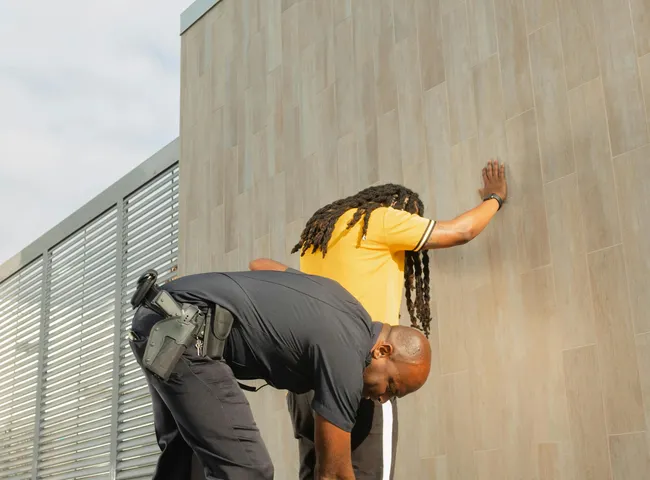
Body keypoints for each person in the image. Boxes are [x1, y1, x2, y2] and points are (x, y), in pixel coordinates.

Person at [250, 159, 507, 479]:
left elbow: (260, 265)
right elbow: (461, 231)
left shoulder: (318, 238)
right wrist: (493, 198)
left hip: (305, 384)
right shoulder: (381, 221)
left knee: (318, 472)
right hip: (362, 372)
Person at [127, 267, 432, 480]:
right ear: (382, 352)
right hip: (184, 332)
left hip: (161, 318)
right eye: (392, 386)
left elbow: (263, 267)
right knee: (248, 471)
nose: (382, 398)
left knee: (184, 465)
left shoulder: (346, 306)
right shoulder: (348, 354)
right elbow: (334, 474)